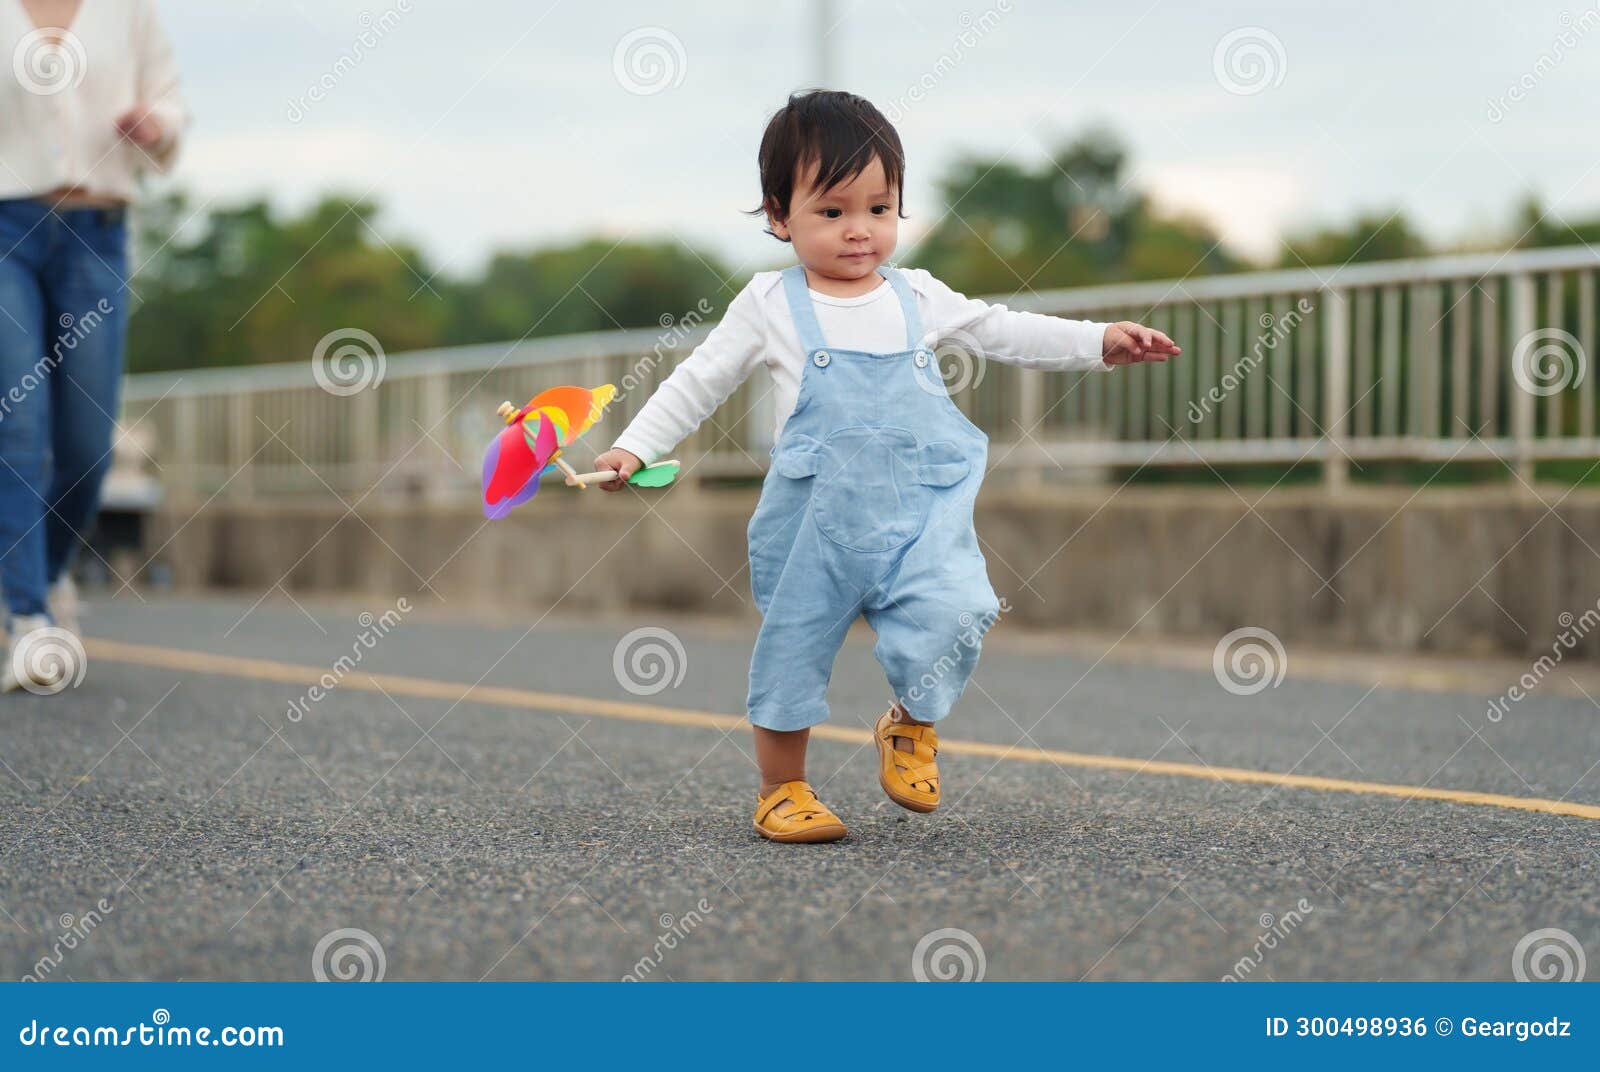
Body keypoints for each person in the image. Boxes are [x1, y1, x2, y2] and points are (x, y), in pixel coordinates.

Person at [590, 90, 1178, 842]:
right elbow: (698, 381)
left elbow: (1004, 330)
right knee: (793, 649)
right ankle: (782, 789)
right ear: (780, 215)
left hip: (917, 513)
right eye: (832, 211)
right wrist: (635, 447)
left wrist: (1097, 342)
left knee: (960, 610)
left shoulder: (917, 294)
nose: (859, 230)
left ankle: (909, 722)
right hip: (814, 521)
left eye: (879, 208)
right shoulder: (769, 302)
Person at [0, 0, 188, 692]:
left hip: (96, 234)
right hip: (6, 232)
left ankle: (47, 576)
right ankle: (26, 617)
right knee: (18, 424)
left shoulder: (127, 9)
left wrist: (155, 125)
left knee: (87, 445)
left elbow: (169, 105)